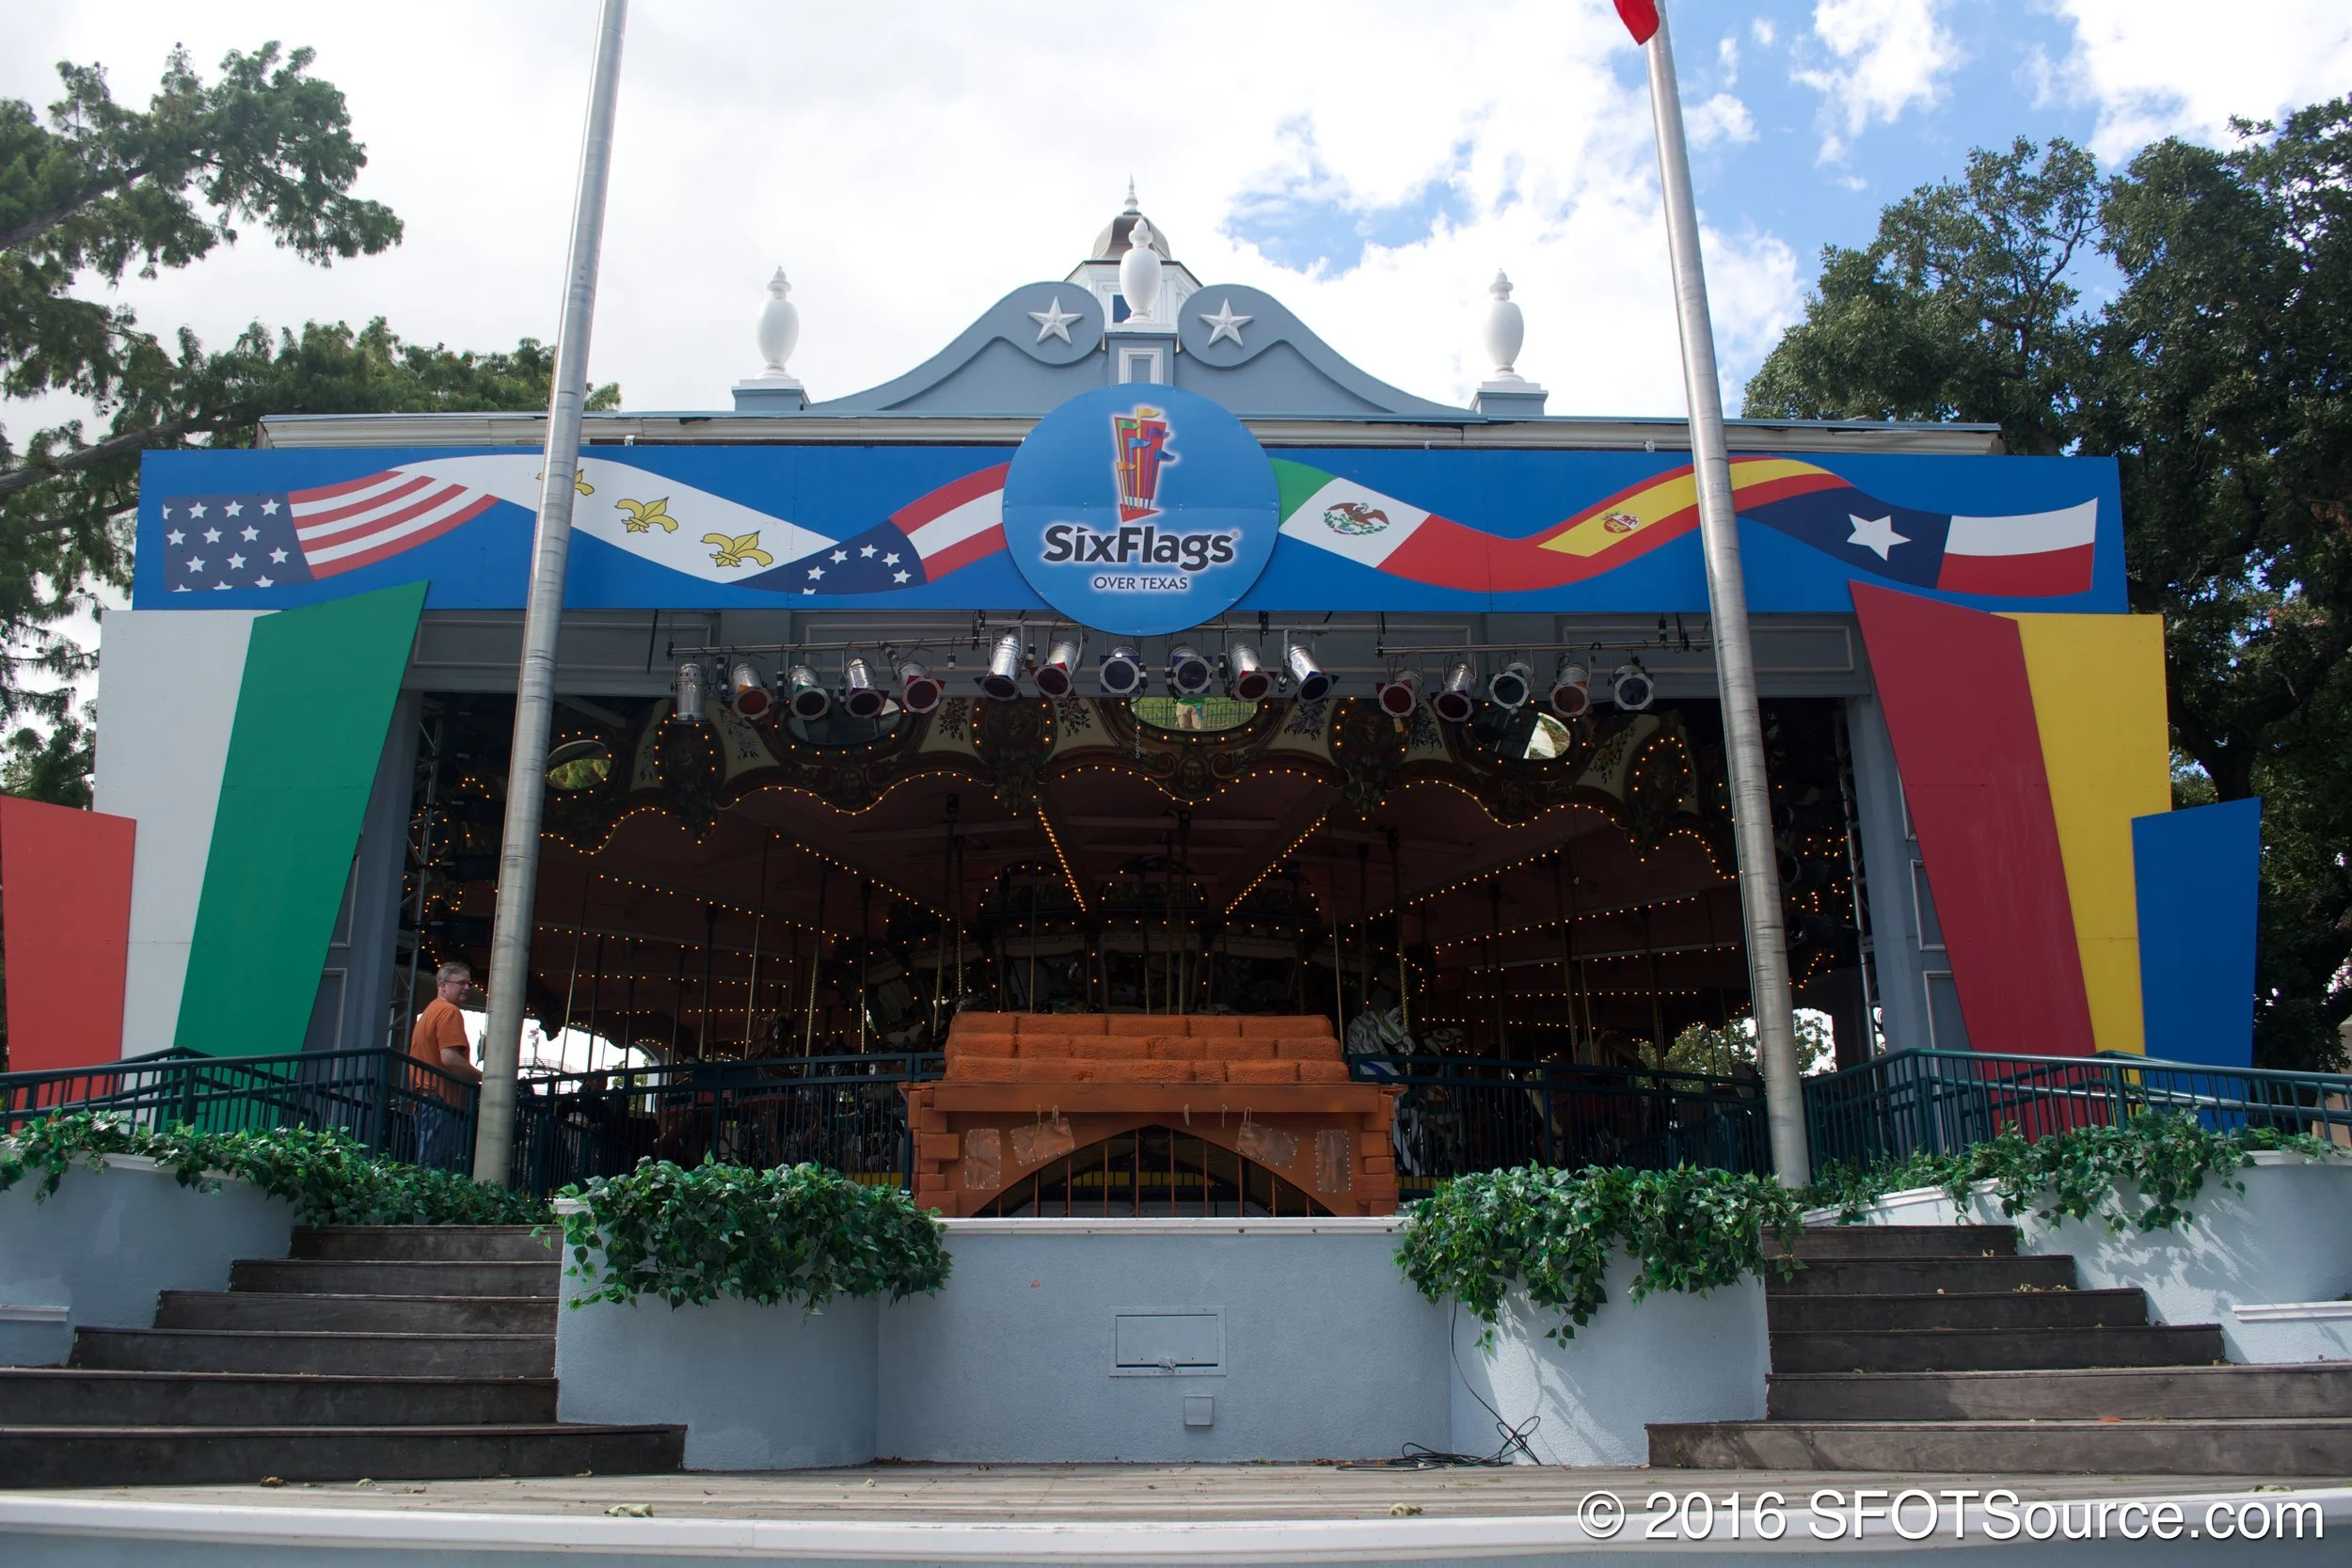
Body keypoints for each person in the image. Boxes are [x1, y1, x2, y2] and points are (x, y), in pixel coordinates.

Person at [410, 962, 484, 1169]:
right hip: (442, 1098)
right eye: (460, 983)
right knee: (437, 1167)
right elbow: (450, 1059)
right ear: (442, 985)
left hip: (425, 1099)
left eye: (468, 983)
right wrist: (483, 1078)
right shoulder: (449, 1012)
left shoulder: (429, 1012)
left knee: (427, 1162)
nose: (466, 988)